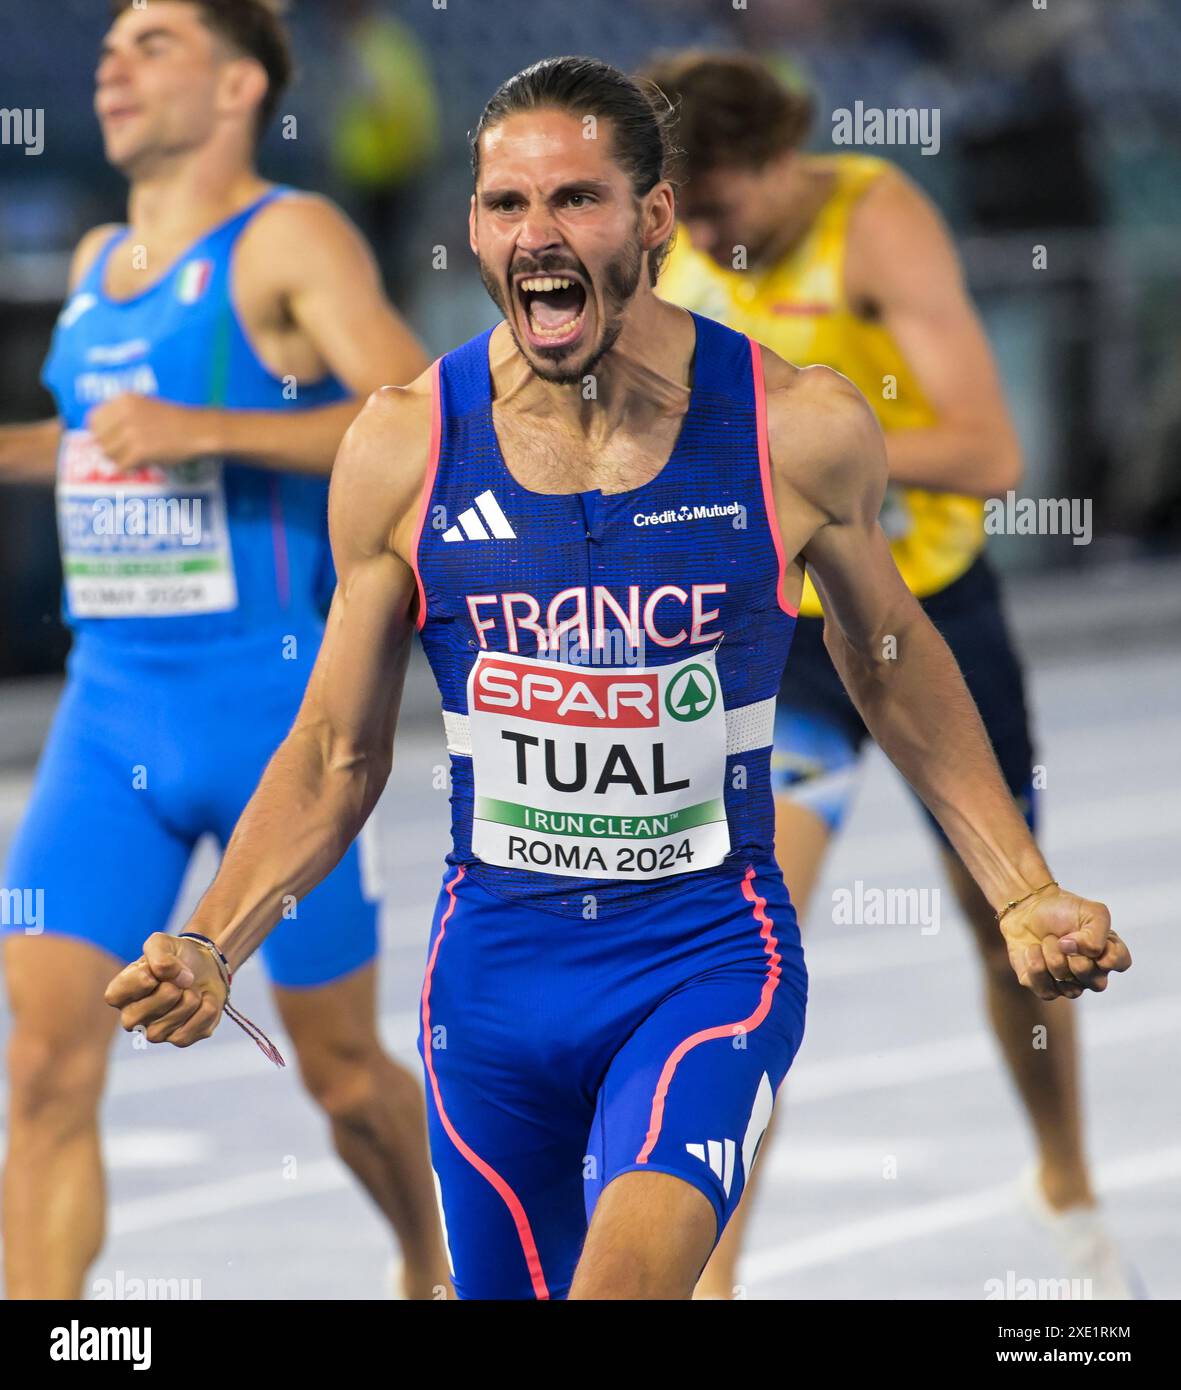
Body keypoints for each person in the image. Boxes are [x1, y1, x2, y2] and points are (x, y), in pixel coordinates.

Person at [106, 56, 1130, 1302]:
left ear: (652, 217)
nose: (536, 235)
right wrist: (216, 938)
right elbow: (336, 754)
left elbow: (892, 667)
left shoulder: (794, 428)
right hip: (489, 988)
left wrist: (1017, 887)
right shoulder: (399, 447)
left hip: (704, 960)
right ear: (474, 230)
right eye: (503, 207)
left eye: (576, 200)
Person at [646, 49, 1134, 1299]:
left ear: (777, 164)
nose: (701, 237)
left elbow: (987, 448)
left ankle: (1066, 1190)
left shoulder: (874, 220)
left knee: (1006, 929)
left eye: (717, 211)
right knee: (738, 966)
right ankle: (713, 1282)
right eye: (679, 215)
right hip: (776, 640)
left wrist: (796, 446)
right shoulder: (668, 236)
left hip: (925, 617)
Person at [1, 0, 450, 1300]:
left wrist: (217, 426)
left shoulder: (286, 236)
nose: (111, 66)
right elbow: (106, 443)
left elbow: (417, 420)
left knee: (341, 1071)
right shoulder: (98, 255)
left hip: (272, 715)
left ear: (241, 81)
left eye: (154, 45)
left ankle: (439, 1260)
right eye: (108, 48)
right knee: (41, 1062)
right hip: (109, 714)